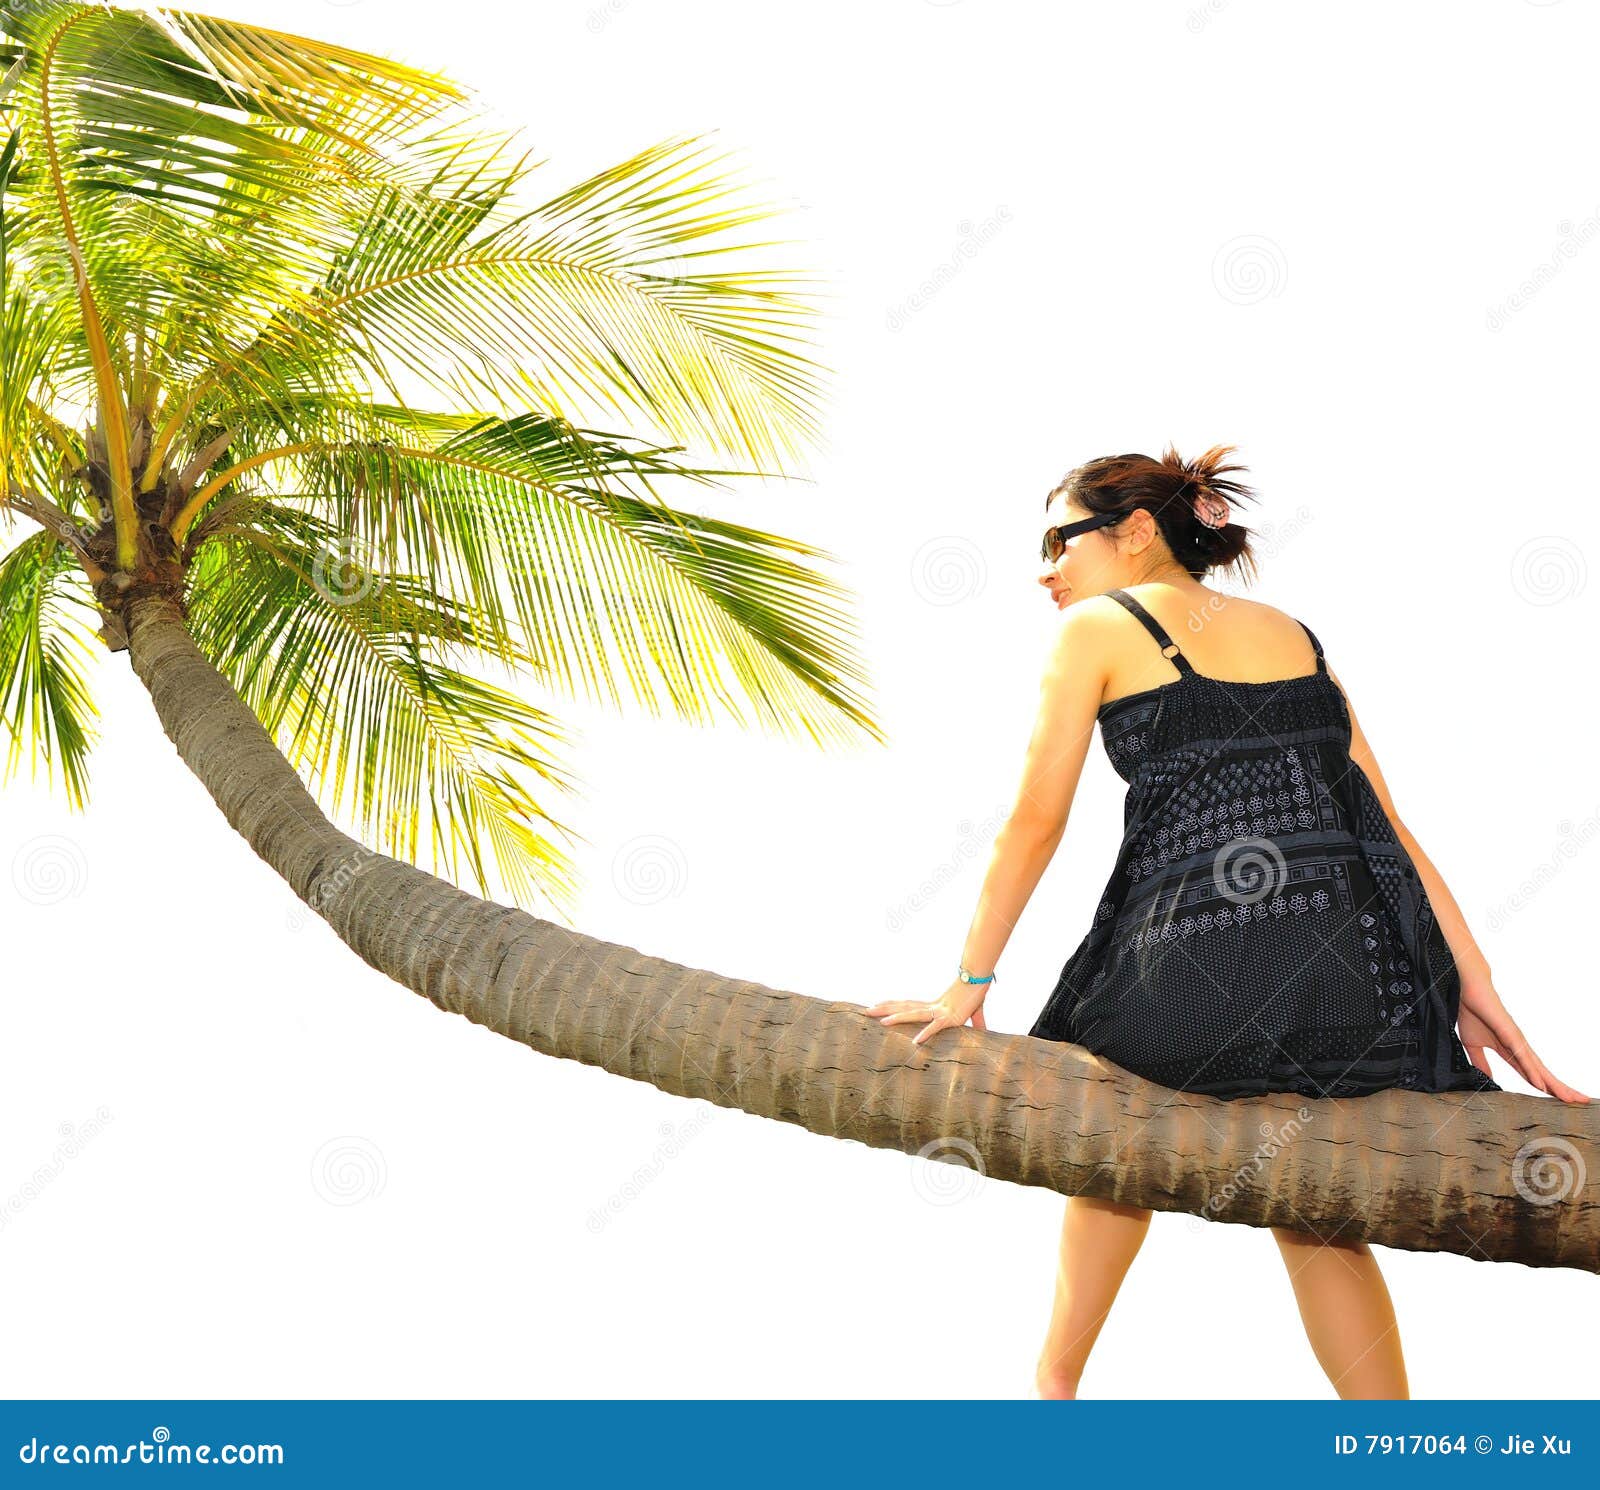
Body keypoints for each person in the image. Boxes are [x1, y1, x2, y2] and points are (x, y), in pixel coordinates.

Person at [862, 443, 1591, 1401]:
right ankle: (1393, 1439)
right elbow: (1386, 821)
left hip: (1191, 973)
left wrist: (971, 983)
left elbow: (1034, 822)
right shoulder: (1294, 633)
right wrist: (1470, 984)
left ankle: (1053, 1390)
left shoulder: (1097, 629)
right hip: (1356, 981)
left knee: (1112, 1125)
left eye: (1058, 539)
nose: (1047, 567)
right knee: (1312, 1206)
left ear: (1130, 534)